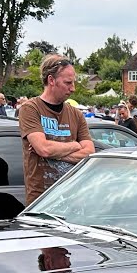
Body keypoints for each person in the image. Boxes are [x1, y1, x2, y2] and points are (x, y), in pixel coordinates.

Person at [18, 54, 93, 204]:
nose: (73, 88)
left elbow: (89, 152)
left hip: (71, 199)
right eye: (68, 83)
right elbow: (44, 149)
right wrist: (74, 145)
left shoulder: (76, 114)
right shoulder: (31, 109)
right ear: (51, 80)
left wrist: (52, 152)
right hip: (40, 201)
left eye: (73, 83)